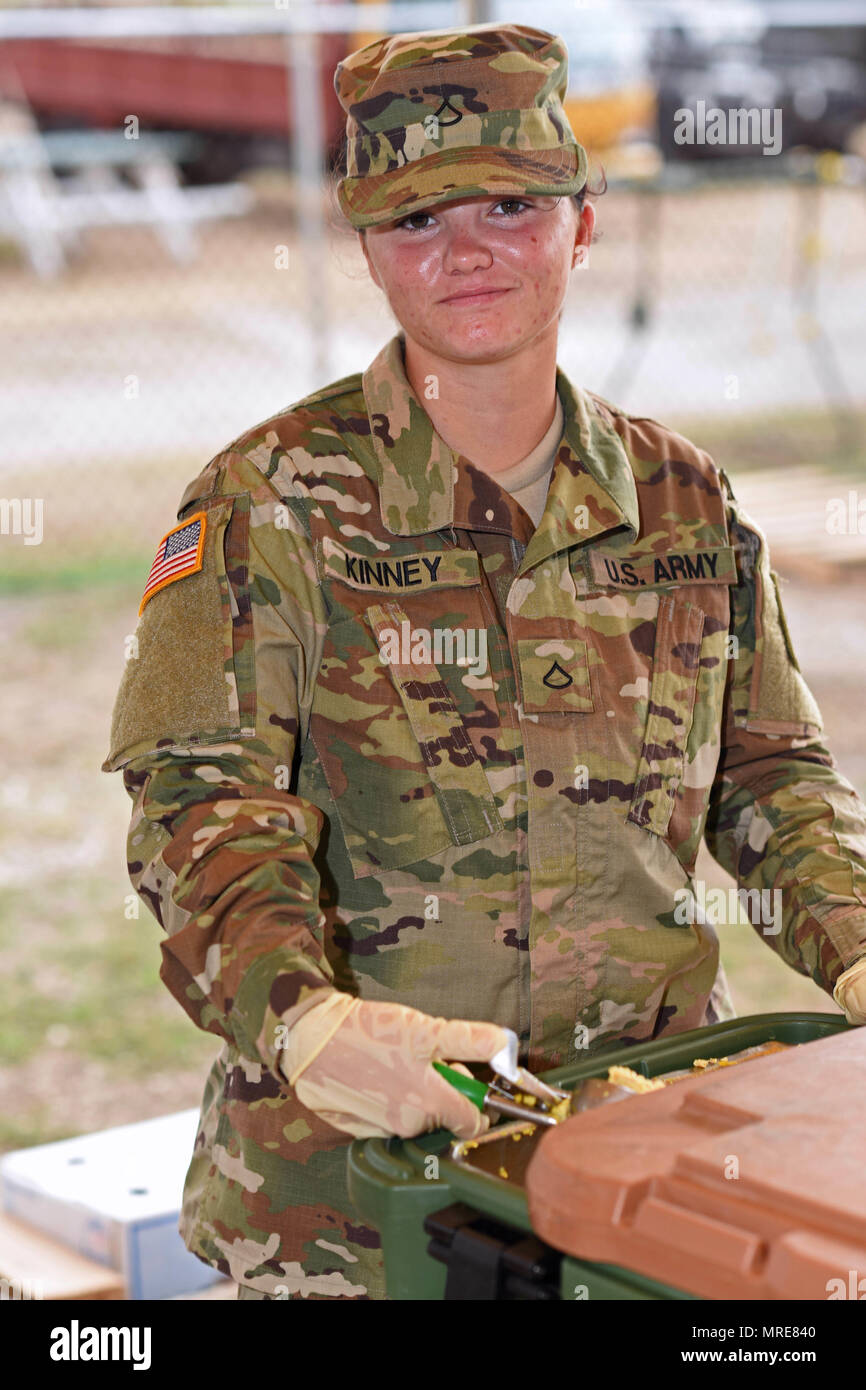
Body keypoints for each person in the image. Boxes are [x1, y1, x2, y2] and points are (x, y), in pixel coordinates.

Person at [101, 22, 866, 1301]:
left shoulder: (684, 502)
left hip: (644, 1161)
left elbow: (769, 780)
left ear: (583, 220)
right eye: (414, 220)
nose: (465, 252)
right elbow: (200, 803)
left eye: (510, 204)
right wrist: (306, 1019)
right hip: (354, 1207)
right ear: (364, 248)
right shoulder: (268, 502)